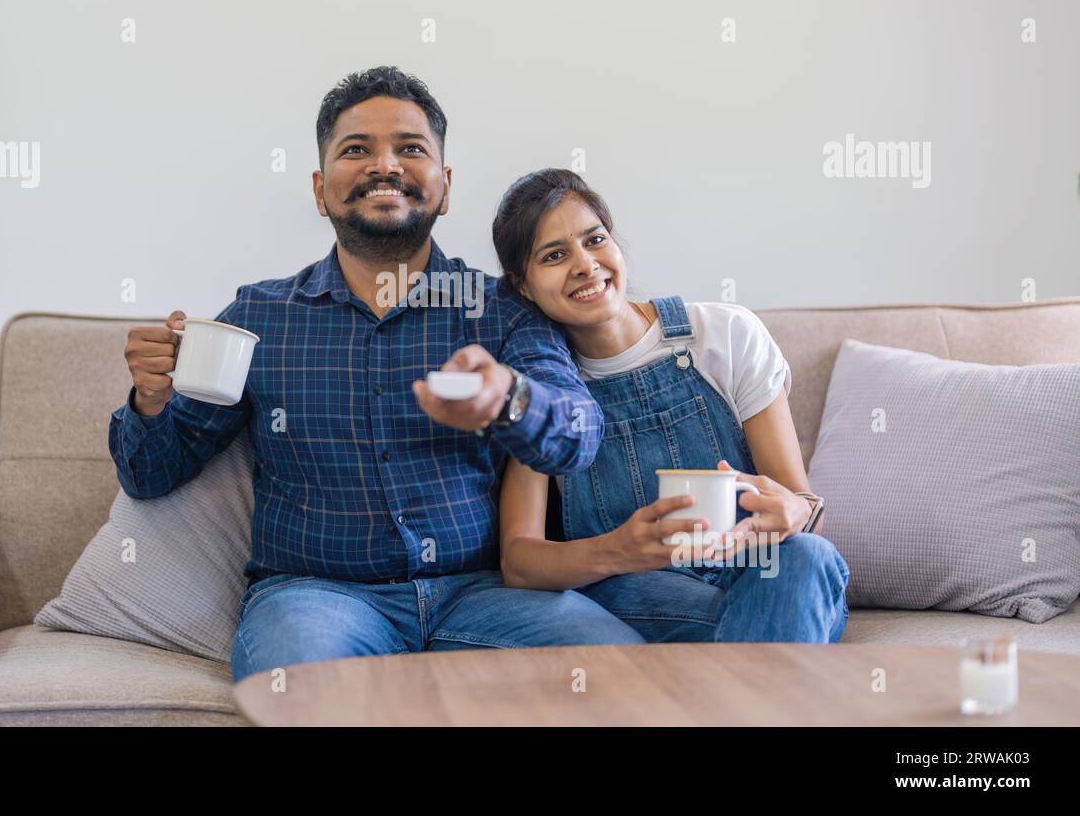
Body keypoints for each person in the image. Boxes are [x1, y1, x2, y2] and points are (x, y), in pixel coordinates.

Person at [108, 69, 644, 683]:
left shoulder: (501, 311)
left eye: (411, 149)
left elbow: (580, 435)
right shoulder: (258, 318)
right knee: (302, 689)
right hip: (317, 600)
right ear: (319, 189)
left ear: (445, 187)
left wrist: (509, 397)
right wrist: (150, 401)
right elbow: (152, 476)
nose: (384, 165)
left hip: (483, 596)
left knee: (619, 675)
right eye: (356, 149)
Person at [491, 168, 849, 643]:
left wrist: (796, 512)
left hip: (761, 576)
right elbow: (519, 559)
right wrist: (616, 551)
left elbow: (801, 505)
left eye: (595, 239)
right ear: (523, 286)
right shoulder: (541, 391)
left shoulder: (725, 336)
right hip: (643, 597)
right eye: (554, 255)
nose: (584, 264)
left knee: (809, 558)